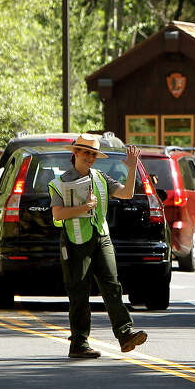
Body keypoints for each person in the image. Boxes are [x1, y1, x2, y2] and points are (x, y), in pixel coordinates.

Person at [49, 134, 148, 359]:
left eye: (93, 154)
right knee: (79, 292)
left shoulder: (101, 177)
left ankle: (125, 335)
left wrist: (132, 168)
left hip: (101, 237)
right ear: (75, 153)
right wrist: (84, 207)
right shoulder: (59, 182)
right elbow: (57, 214)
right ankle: (79, 343)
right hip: (75, 241)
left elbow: (126, 193)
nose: (90, 158)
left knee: (112, 285)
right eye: (86, 153)